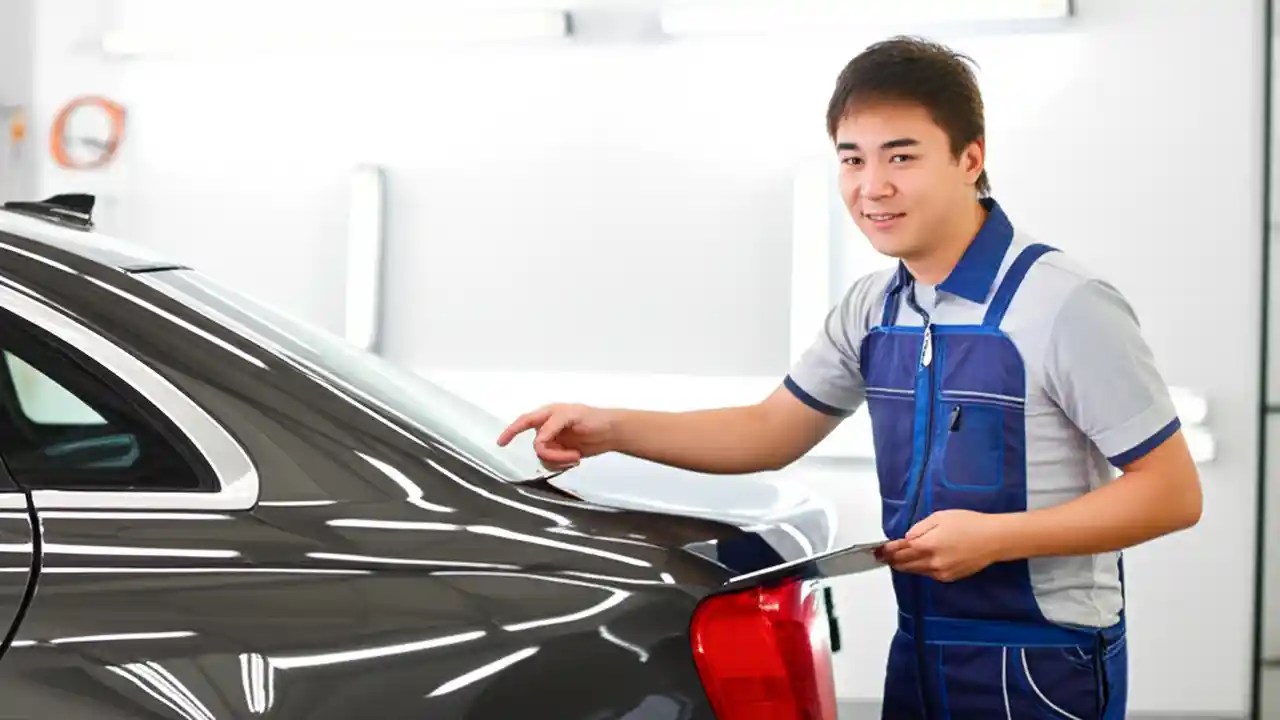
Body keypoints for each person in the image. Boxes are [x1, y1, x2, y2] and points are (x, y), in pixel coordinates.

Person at [496, 36, 1202, 719]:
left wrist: (996, 539)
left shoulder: (1063, 304)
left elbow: (1172, 493)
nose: (873, 187)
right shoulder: (873, 307)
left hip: (1042, 665)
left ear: (970, 158)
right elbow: (768, 431)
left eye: (902, 156)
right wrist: (609, 429)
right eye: (852, 159)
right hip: (918, 648)